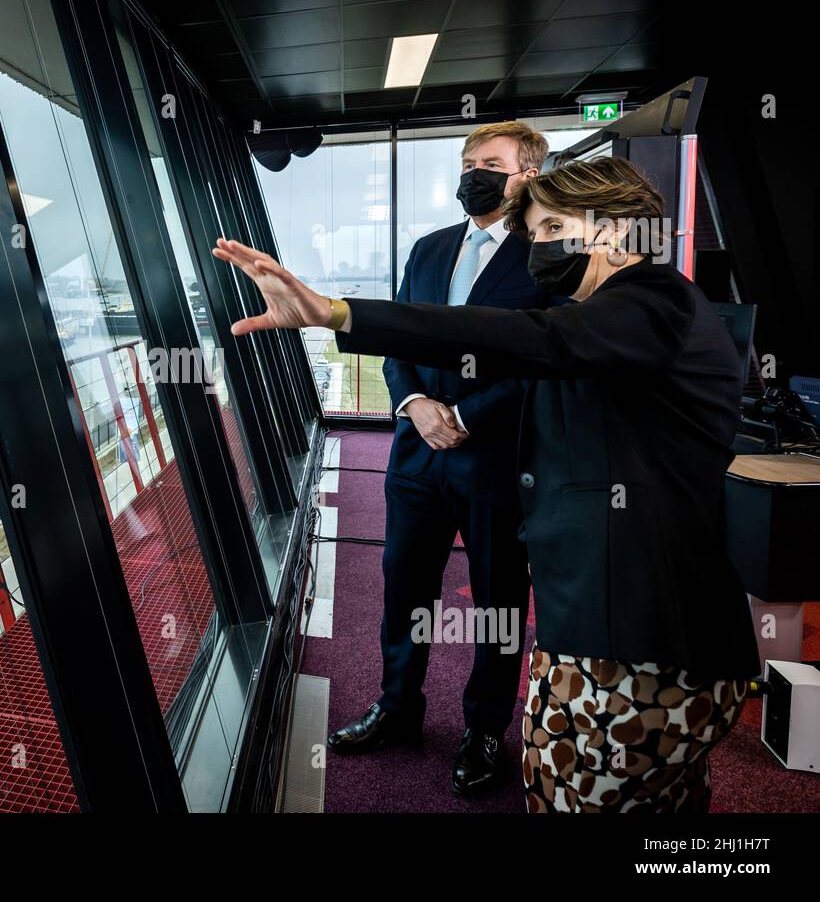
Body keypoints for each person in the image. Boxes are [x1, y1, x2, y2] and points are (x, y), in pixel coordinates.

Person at [213, 156, 759, 812]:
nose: (536, 249)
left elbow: (528, 341)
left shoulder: (654, 303)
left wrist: (337, 313)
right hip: (609, 627)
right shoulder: (622, 313)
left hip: (639, 644)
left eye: (551, 228)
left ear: (611, 232)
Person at [326, 121, 552, 798]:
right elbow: (399, 341)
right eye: (466, 161)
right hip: (416, 456)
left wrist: (466, 416)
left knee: (497, 602)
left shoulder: (546, 258)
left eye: (490, 162)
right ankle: (397, 707)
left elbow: (544, 362)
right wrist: (415, 403)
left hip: (492, 460)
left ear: (527, 177)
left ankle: (485, 729)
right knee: (403, 586)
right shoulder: (428, 250)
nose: (472, 172)